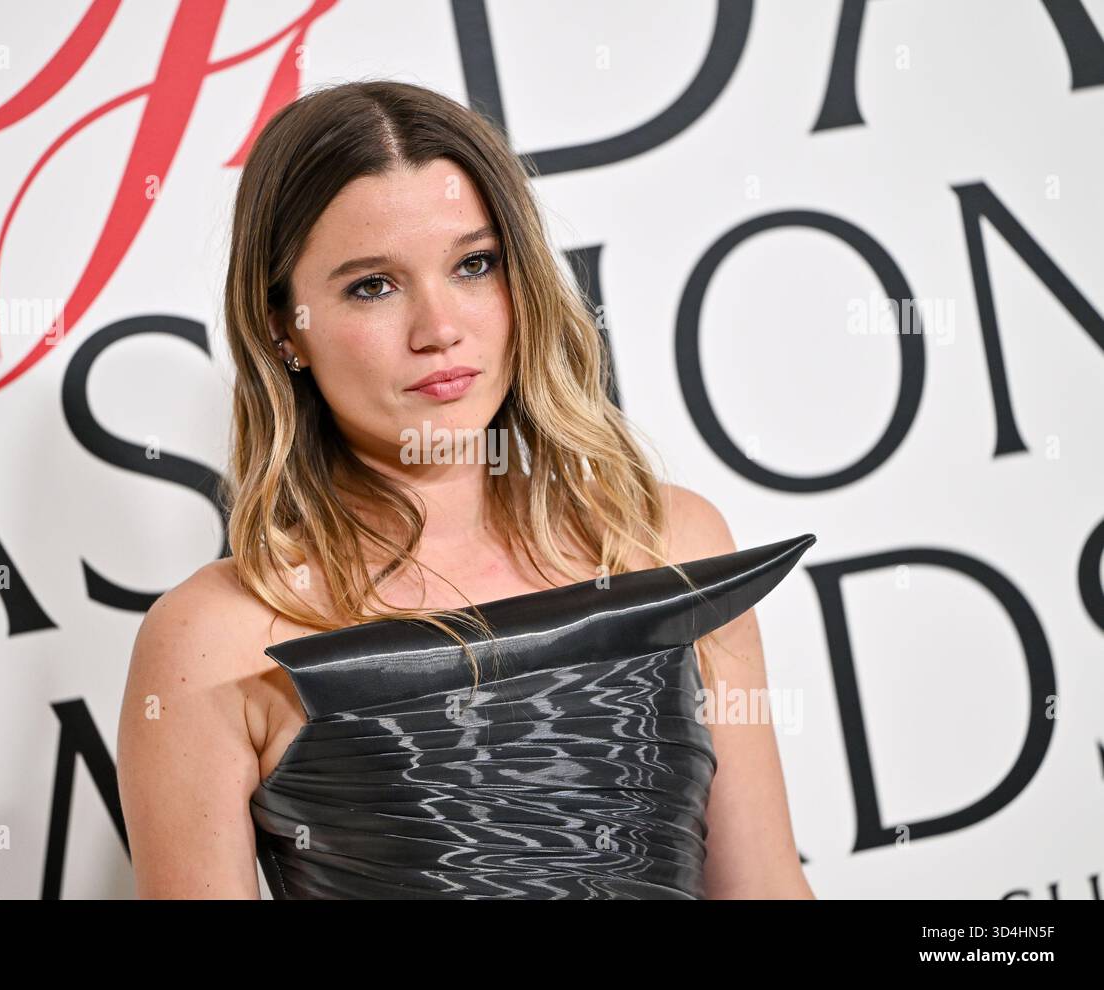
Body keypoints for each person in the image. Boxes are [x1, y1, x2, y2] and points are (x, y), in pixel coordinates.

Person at [116, 79, 814, 899]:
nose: (439, 328)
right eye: (372, 285)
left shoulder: (671, 543)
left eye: (474, 265)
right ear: (282, 329)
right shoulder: (215, 640)